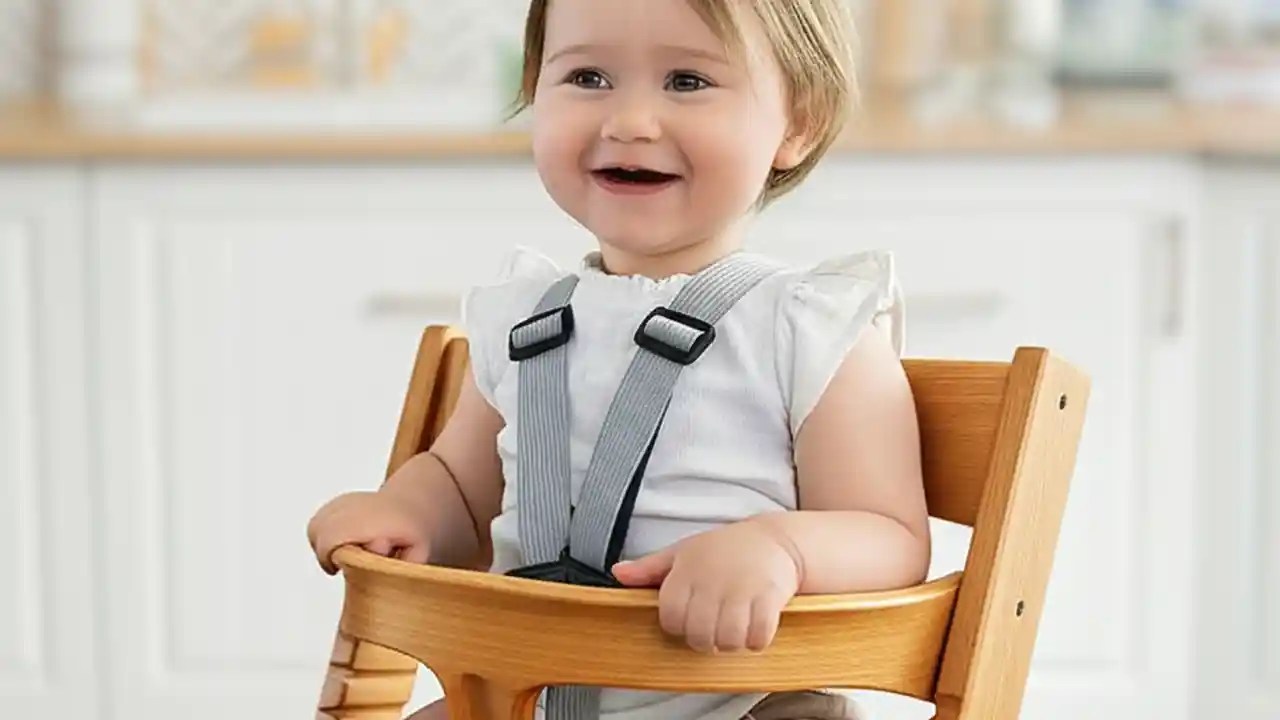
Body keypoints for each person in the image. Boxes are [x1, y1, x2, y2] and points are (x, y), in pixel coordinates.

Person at [307, 1, 931, 718]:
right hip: (525, 699)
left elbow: (889, 537)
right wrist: (404, 513)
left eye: (688, 82)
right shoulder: (521, 320)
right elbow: (460, 490)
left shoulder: (809, 327)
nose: (630, 121)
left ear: (800, 122)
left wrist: (781, 551)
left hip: (747, 703)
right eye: (589, 77)